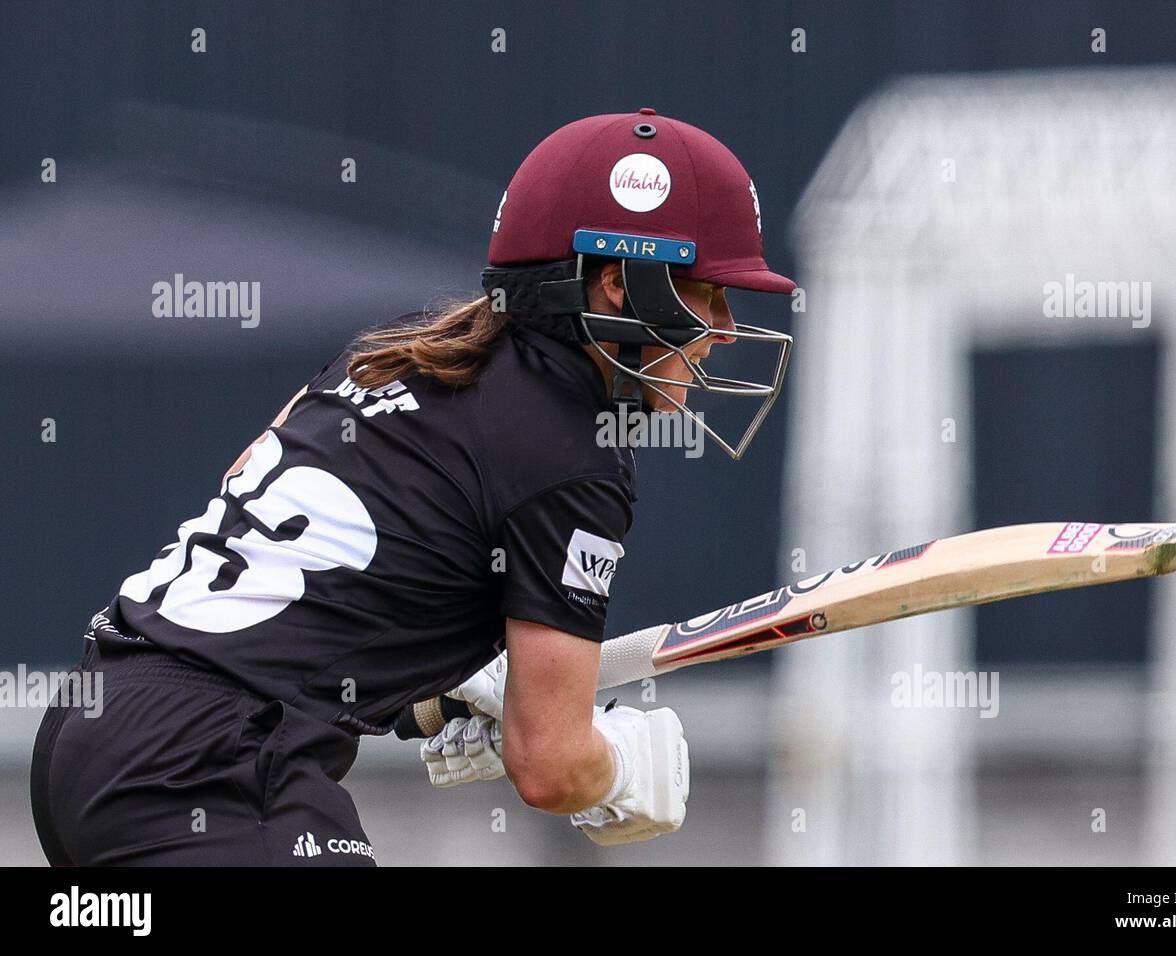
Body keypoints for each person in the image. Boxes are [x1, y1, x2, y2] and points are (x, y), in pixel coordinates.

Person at [29, 108, 795, 865]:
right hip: (208, 769)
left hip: (95, 726)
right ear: (619, 285)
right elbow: (551, 767)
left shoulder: (407, 346)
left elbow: (254, 492)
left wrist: (438, 681)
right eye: (707, 292)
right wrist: (619, 762)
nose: (725, 328)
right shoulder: (575, 455)